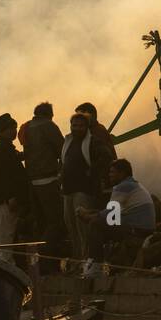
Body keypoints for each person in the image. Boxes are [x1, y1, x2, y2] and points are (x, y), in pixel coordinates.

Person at [85, 158, 156, 261]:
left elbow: (109, 213)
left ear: (122, 173)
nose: (109, 175)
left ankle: (95, 266)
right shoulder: (133, 184)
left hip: (137, 230)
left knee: (95, 224)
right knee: (98, 221)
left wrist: (88, 216)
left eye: (112, 172)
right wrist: (90, 213)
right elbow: (112, 212)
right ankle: (104, 259)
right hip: (144, 228)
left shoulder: (123, 186)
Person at [22, 101, 66, 266]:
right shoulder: (49, 126)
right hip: (48, 180)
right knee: (55, 222)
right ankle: (42, 259)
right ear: (49, 114)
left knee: (40, 222)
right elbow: (63, 150)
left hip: (32, 182)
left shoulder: (27, 128)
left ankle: (37, 264)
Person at [60, 112, 100, 262]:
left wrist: (91, 173)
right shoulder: (68, 141)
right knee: (71, 226)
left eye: (80, 126)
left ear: (86, 127)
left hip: (83, 191)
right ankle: (77, 259)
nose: (77, 128)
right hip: (68, 191)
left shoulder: (92, 142)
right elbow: (63, 162)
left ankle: (86, 260)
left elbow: (105, 158)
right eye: (74, 125)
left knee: (83, 227)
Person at [0, 113, 26, 264]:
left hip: (0, 199)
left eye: (15, 128)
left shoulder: (3, 147)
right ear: (3, 130)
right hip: (3, 200)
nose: (14, 132)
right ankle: (5, 267)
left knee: (2, 239)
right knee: (5, 238)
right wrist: (10, 197)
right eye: (11, 128)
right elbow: (2, 177)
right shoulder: (0, 148)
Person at [73, 102, 116, 199]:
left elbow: (105, 159)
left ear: (90, 116)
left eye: (80, 116)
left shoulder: (97, 133)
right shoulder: (93, 131)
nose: (78, 120)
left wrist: (89, 172)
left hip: (102, 182)